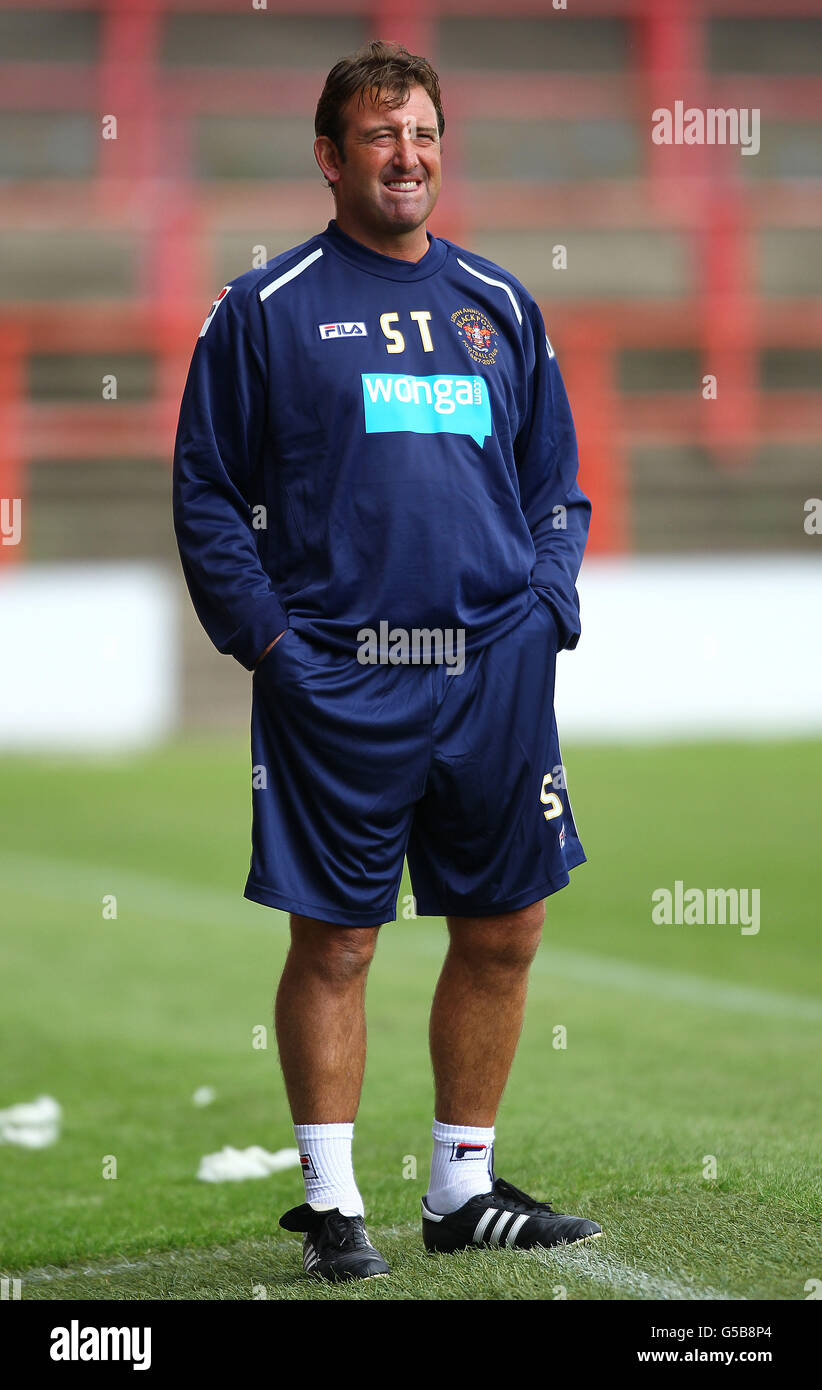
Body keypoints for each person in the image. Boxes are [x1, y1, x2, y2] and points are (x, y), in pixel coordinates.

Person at [173, 39, 601, 1283]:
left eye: (422, 133)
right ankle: (331, 1200)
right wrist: (268, 643)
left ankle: (462, 1188)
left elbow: (553, 489)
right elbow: (206, 493)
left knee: (506, 929)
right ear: (329, 156)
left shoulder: (502, 304)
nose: (406, 156)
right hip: (340, 676)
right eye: (379, 135)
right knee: (339, 940)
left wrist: (545, 610)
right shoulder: (264, 310)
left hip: (493, 673)